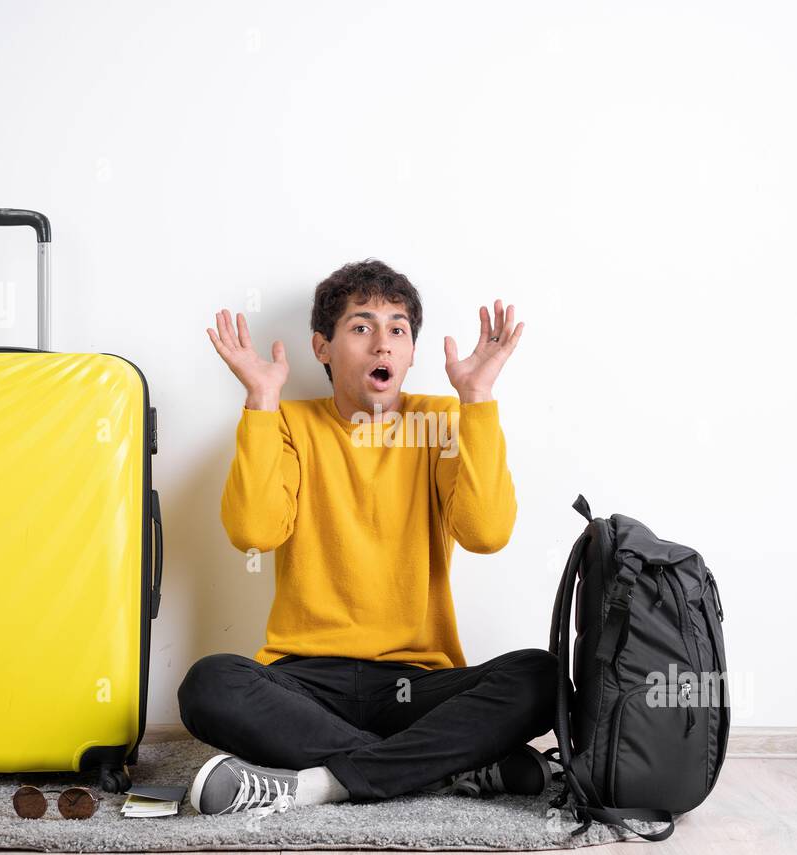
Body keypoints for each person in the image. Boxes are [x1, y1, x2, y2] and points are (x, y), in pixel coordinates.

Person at [178, 259, 557, 816]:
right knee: (209, 685)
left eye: (397, 330)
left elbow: (486, 533)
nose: (383, 344)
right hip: (304, 687)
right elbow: (253, 531)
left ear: (409, 353)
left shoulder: (444, 422)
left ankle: (316, 785)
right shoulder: (285, 422)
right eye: (361, 327)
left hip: (417, 688)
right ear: (323, 347)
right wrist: (260, 399)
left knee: (541, 677)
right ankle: (442, 770)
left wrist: (477, 397)